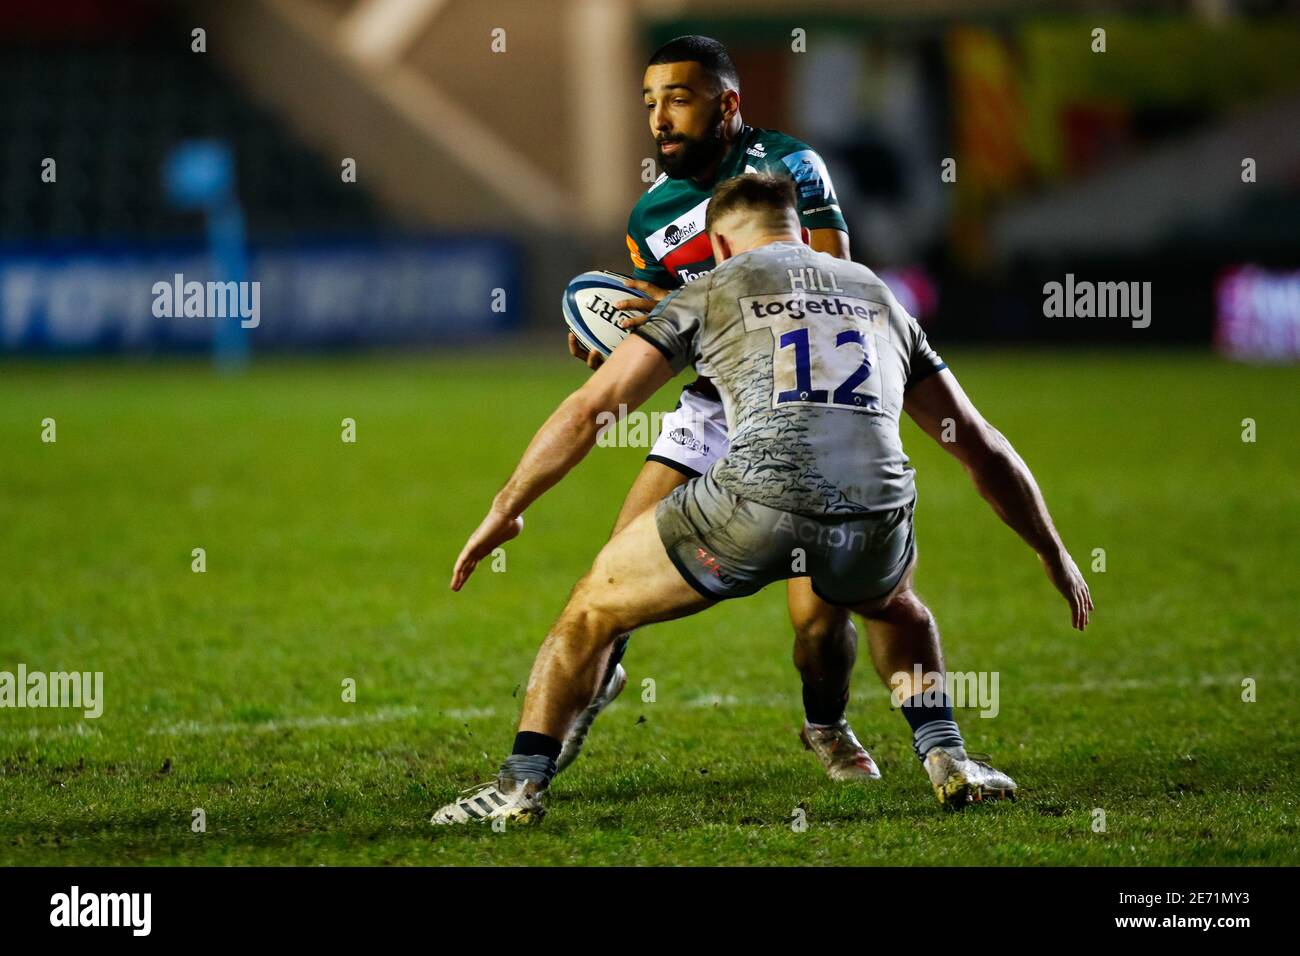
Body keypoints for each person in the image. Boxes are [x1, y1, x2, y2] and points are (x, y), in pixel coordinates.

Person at [434, 173, 1092, 825]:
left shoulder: (711, 287)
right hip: (877, 512)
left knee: (590, 610)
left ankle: (520, 787)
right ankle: (946, 755)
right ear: (803, 236)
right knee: (897, 609)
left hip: (755, 502)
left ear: (719, 246)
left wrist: (507, 507)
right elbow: (980, 444)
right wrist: (1053, 551)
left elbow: (594, 408)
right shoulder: (880, 295)